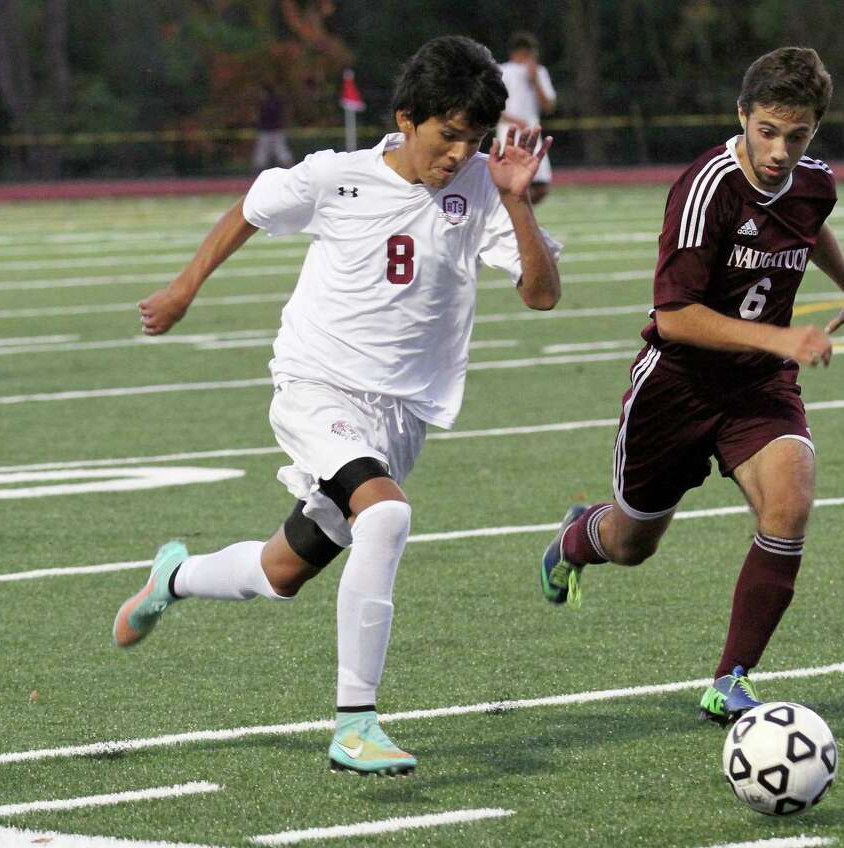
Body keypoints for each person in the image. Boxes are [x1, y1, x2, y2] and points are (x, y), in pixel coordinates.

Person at [112, 35, 561, 776]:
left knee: (281, 571)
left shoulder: (484, 186)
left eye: (473, 139)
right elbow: (251, 209)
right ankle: (356, 723)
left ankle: (175, 577)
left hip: (401, 418)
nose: (458, 153)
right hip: (315, 386)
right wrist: (184, 288)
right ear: (406, 118)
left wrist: (515, 204)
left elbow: (542, 295)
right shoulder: (335, 177)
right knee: (384, 514)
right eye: (448, 135)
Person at [538, 47, 844, 725]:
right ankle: (577, 538)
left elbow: (811, 226)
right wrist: (784, 337)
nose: (780, 150)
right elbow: (675, 316)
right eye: (768, 131)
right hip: (677, 386)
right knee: (632, 546)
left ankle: (731, 679)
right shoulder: (706, 186)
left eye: (798, 135)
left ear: (814, 131)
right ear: (743, 116)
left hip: (758, 389)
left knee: (791, 500)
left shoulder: (815, 181)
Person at [497, 32, 556, 205]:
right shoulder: (502, 71)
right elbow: (493, 105)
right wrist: (514, 120)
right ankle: (510, 222)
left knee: (541, 186)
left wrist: (535, 79)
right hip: (509, 134)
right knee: (510, 184)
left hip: (533, 134)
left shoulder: (539, 71)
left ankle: (520, 220)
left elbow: (549, 106)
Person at [252, 83, 294, 170]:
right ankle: (258, 172)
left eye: (262, 92)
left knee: (280, 152)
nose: (260, 94)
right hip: (269, 131)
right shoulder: (268, 102)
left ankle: (289, 169)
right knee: (262, 154)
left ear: (266, 92)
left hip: (274, 131)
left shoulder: (272, 103)